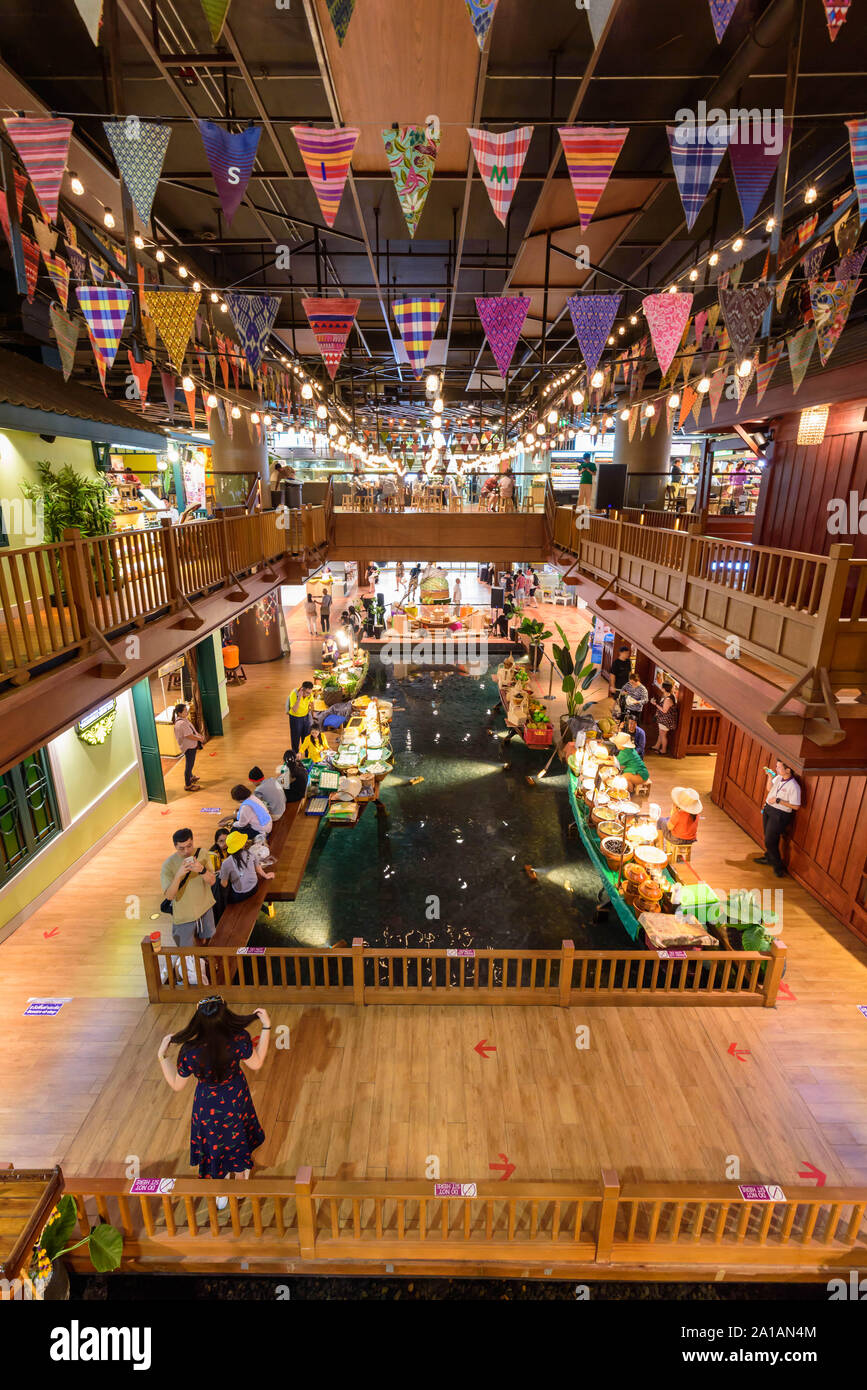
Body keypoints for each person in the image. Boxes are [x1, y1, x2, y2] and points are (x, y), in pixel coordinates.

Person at [157, 996, 270, 1196]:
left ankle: (221, 1184)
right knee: (237, 1134)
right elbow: (257, 1062)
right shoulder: (239, 1039)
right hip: (235, 1096)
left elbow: (176, 1084)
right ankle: (241, 1179)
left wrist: (162, 1056)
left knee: (215, 1139)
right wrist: (266, 1027)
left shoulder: (190, 1051)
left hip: (206, 1103)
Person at [160, 827, 217, 948]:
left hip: (205, 908)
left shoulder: (202, 853)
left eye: (189, 846)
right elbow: (170, 896)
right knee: (186, 951)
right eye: (181, 848)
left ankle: (204, 963)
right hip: (184, 916)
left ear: (193, 842)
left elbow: (212, 881)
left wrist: (201, 870)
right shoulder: (168, 865)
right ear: (175, 846)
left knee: (207, 942)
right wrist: (178, 876)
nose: (186, 851)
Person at [756, 760, 801, 878]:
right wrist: (770, 777)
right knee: (768, 836)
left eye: (779, 767)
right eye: (776, 766)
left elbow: (796, 806)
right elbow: (769, 789)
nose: (777, 769)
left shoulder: (794, 786)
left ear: (788, 770)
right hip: (769, 810)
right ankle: (769, 857)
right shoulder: (779, 778)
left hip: (780, 814)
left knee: (770, 840)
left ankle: (778, 867)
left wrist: (778, 801)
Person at [220, 830, 274, 903]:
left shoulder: (226, 863)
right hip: (254, 888)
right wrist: (266, 876)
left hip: (240, 894)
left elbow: (224, 884)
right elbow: (258, 869)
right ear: (242, 845)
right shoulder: (250, 854)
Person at [172, 702, 204, 791]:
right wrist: (199, 739)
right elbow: (189, 735)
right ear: (179, 713)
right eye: (185, 710)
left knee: (190, 763)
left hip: (190, 745)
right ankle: (188, 785)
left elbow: (191, 732)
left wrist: (198, 736)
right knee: (189, 765)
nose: (187, 712)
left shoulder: (184, 720)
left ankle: (191, 777)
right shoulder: (181, 723)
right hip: (188, 747)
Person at [650, 680, 679, 754]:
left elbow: (664, 710)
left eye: (662, 687)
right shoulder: (668, 695)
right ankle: (657, 746)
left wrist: (655, 704)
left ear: (664, 688)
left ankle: (663, 750)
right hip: (663, 719)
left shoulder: (668, 699)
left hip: (666, 720)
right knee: (661, 734)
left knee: (663, 735)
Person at [286, 680, 314, 751]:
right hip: (296, 719)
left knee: (306, 738)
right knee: (296, 738)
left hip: (305, 717)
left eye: (310, 693)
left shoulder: (310, 694)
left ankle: (308, 757)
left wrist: (313, 715)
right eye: (307, 693)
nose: (308, 694)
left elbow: (312, 703)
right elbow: (294, 709)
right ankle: (295, 756)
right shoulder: (294, 694)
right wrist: (299, 698)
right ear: (302, 689)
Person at [209, 828, 230, 923]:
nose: (224, 843)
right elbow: (213, 875)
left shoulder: (231, 848)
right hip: (217, 884)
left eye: (227, 840)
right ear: (216, 842)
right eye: (221, 841)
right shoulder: (213, 855)